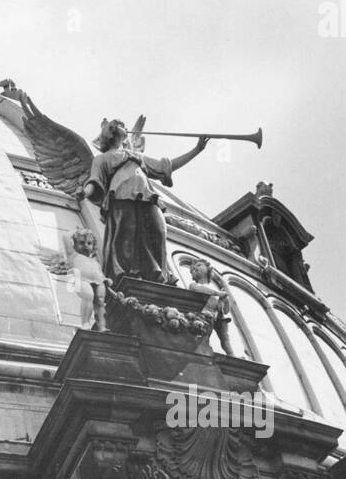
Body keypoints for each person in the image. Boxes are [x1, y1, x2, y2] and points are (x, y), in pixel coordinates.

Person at [83, 119, 208, 285]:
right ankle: (127, 275)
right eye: (121, 125)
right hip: (121, 197)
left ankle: (160, 275)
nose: (126, 127)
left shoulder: (136, 156)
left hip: (147, 197)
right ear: (111, 131)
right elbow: (94, 180)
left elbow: (166, 167)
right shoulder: (102, 159)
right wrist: (83, 193)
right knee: (125, 235)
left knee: (158, 230)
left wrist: (197, 149)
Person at [187, 257, 236, 354]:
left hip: (216, 317)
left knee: (225, 338)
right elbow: (202, 290)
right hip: (202, 316)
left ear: (208, 268)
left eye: (199, 265)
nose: (195, 269)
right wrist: (218, 294)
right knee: (202, 338)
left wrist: (225, 300)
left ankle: (231, 354)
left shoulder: (215, 289)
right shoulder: (194, 285)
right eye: (192, 269)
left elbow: (226, 310)